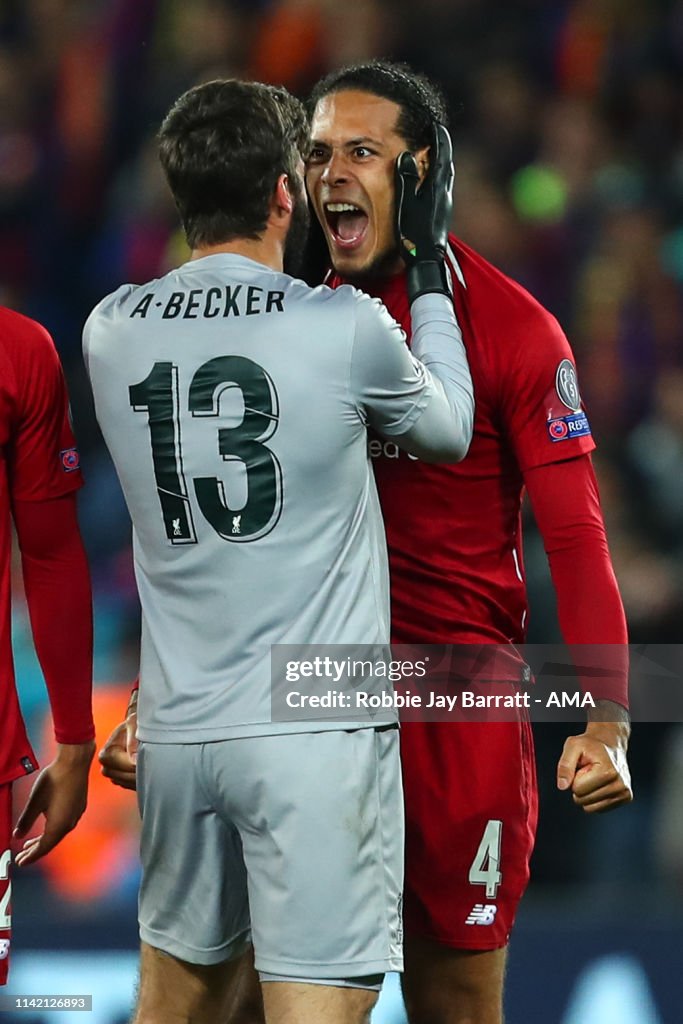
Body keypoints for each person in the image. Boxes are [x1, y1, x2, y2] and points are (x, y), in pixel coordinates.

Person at [101, 62, 633, 1024]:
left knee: (456, 1002)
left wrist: (606, 720)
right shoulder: (287, 315)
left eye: (360, 152)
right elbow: (213, 536)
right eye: (312, 154)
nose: (329, 174)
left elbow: (578, 540)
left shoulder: (513, 328)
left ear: (421, 174)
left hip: (450, 705)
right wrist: (159, 692)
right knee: (252, 1000)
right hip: (301, 701)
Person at [84, 77, 474, 1024]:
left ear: (180, 198)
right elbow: (449, 428)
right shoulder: (338, 327)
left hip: (177, 735)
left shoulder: (109, 330)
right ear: (285, 193)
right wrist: (423, 270)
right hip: (309, 735)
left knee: (174, 1006)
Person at [0, 306, 95, 987]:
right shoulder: (17, 348)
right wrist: (74, 742)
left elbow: (53, 554)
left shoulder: (22, 352)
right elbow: (52, 552)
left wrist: (75, 737)